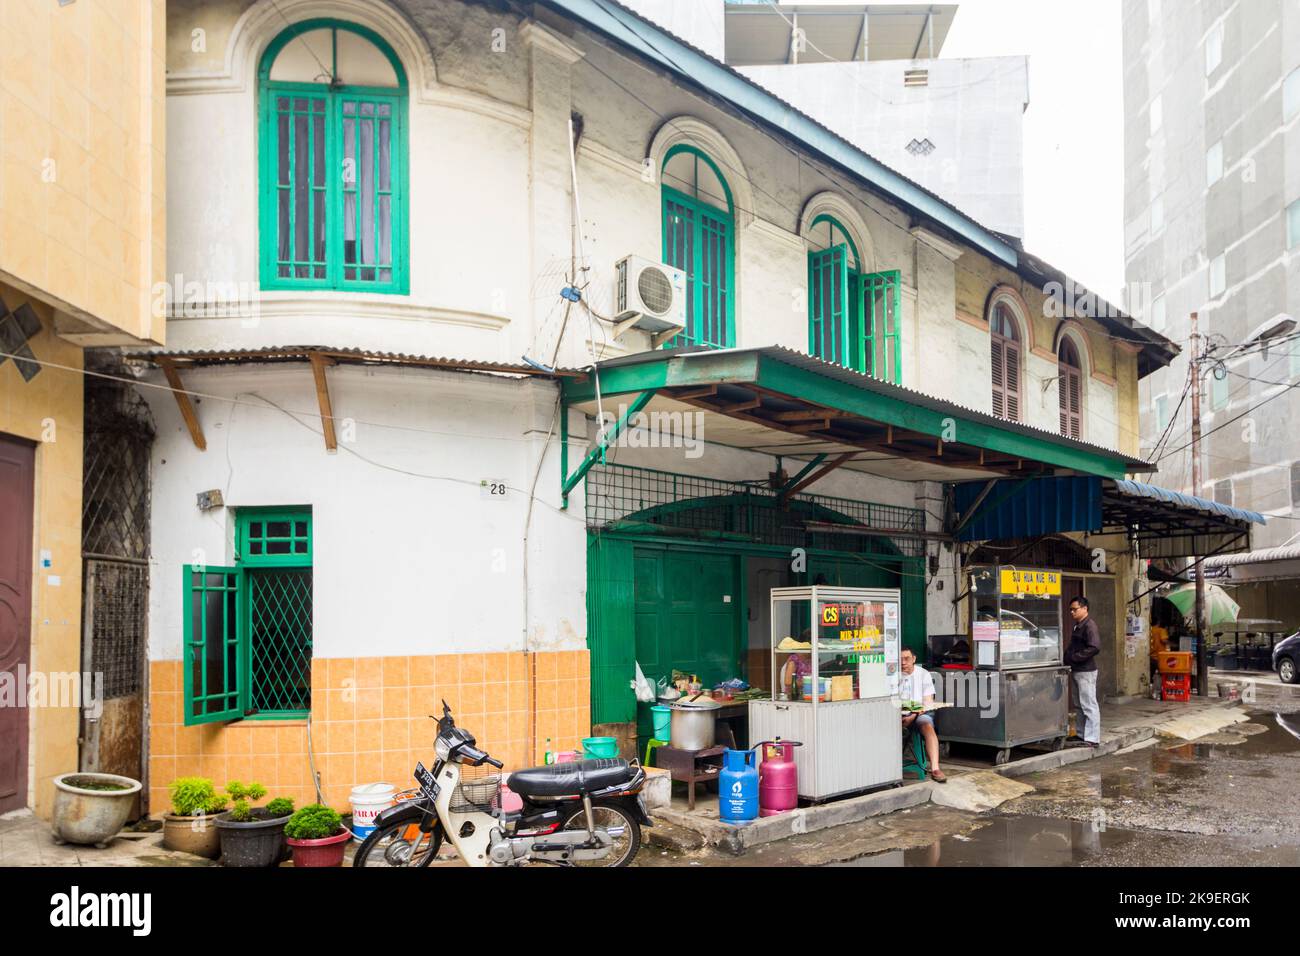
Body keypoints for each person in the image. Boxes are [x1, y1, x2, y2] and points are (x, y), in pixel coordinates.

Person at [898, 647, 946, 782]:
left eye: (906, 659)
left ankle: (935, 768)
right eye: (900, 659)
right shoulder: (893, 675)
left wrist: (913, 715)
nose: (903, 662)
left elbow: (928, 701)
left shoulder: (923, 674)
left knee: (927, 726)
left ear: (914, 659)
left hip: (920, 712)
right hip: (898, 713)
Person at [1066, 596, 1101, 746]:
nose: (1072, 612)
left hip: (1086, 671)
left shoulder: (1089, 625)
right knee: (1079, 704)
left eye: (1075, 609)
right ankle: (1080, 734)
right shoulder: (1078, 625)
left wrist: (1075, 658)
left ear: (1085, 608)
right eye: (1071, 610)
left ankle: (1093, 738)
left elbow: (1094, 647)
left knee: (1089, 704)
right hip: (1077, 670)